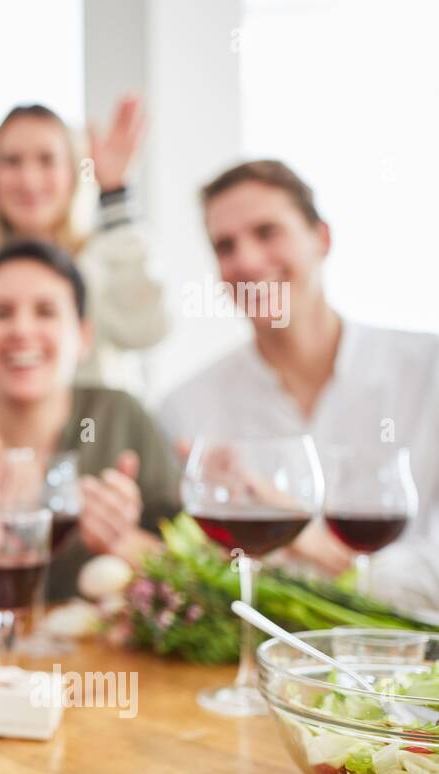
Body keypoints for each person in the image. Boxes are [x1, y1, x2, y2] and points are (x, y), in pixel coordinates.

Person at [158, 160, 439, 612]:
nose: (246, 261)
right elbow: (194, 574)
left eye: (267, 232)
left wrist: (310, 539)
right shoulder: (186, 407)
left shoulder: (429, 372)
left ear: (322, 238)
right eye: (225, 246)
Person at [0, 240, 181, 618]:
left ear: (83, 337)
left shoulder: (120, 417)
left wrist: (124, 541)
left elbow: (195, 564)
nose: (22, 330)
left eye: (46, 311)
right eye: (1, 313)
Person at [0, 98, 169, 405]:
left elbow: (148, 327)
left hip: (99, 447)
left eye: (47, 160)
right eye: (12, 161)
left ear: (72, 175)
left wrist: (115, 192)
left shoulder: (101, 262)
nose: (29, 180)